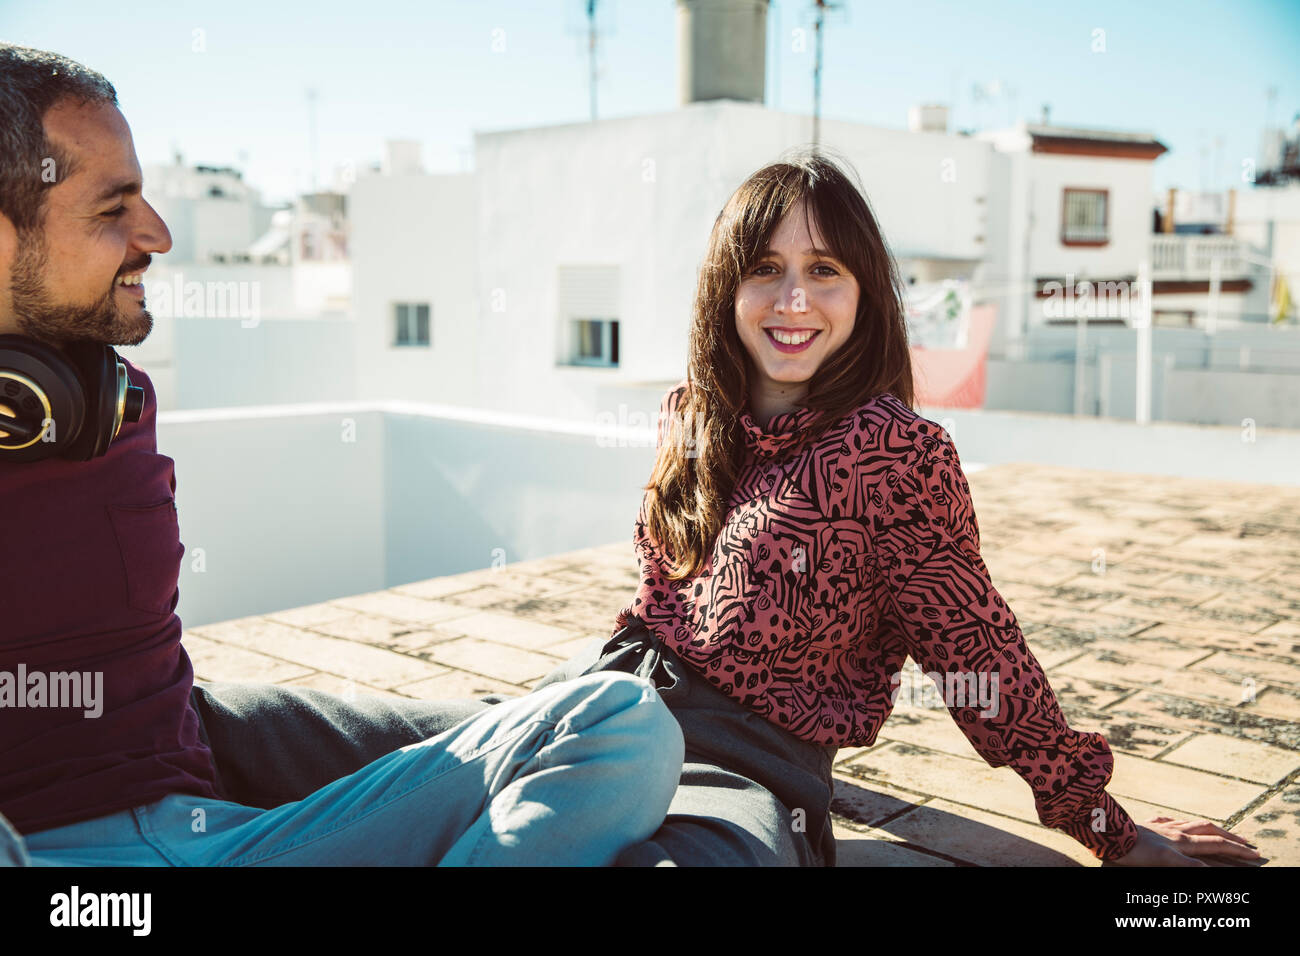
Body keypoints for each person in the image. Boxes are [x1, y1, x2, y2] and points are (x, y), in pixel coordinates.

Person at [185, 152, 1263, 868]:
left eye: (823, 270)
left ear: (863, 290)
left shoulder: (893, 452)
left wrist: (1106, 824)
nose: (793, 300)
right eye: (765, 270)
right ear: (726, 288)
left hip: (738, 781)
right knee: (247, 720)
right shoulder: (691, 416)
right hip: (583, 719)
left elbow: (976, 653)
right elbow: (651, 617)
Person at [0, 43, 684, 867]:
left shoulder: (112, 400)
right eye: (113, 209)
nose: (159, 235)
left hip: (236, 842)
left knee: (619, 723)